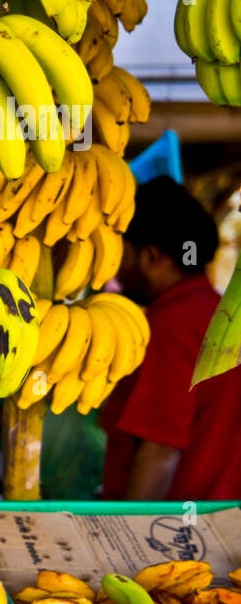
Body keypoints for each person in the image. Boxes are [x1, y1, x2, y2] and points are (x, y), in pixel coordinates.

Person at [100, 177, 241, 500]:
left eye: (123, 253)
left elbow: (159, 449)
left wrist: (129, 535)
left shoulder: (171, 324)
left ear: (150, 256)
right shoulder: (218, 312)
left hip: (179, 527)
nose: (115, 272)